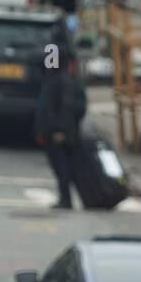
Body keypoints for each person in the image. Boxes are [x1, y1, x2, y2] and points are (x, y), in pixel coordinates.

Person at [34, 61, 87, 209]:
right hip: (60, 130)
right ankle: (66, 197)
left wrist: (59, 130)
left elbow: (64, 107)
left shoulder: (61, 81)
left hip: (59, 132)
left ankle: (66, 198)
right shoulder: (64, 80)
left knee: (62, 165)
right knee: (62, 165)